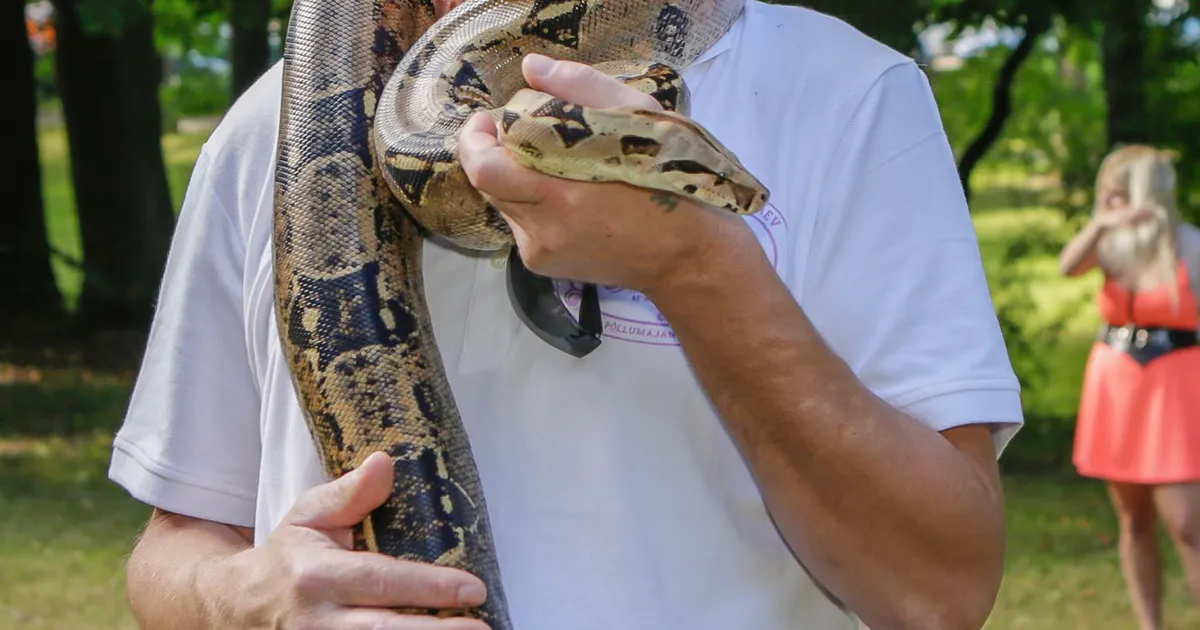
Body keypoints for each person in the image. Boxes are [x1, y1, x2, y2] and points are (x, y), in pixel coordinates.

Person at [108, 1, 1025, 629]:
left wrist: (694, 263)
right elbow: (179, 542)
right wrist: (245, 600)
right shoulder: (273, 130)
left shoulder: (850, 98)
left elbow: (937, 591)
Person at [1060, 144, 1200, 630]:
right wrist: (1101, 222)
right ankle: (1150, 625)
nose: (1113, 203)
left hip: (1176, 389)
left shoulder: (1190, 245)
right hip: (1119, 386)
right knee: (1133, 517)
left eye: (1121, 195)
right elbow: (1067, 266)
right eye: (1108, 195)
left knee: (1186, 522)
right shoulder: (1111, 247)